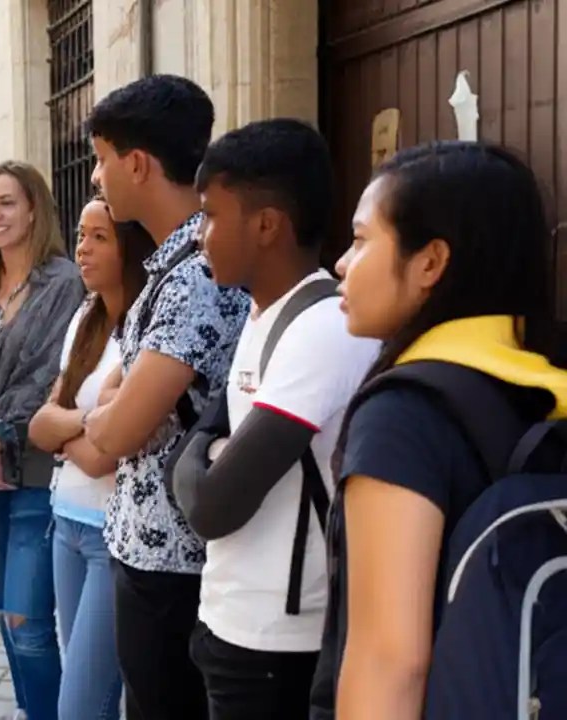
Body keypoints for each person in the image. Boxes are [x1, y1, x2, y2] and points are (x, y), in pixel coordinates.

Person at [309, 141, 567, 719]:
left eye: (360, 239)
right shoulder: (547, 385)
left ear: (430, 261)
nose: (341, 264)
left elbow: (391, 664)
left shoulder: (405, 414)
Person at [168, 119, 380, 719]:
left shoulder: (322, 327)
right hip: (231, 621)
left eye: (210, 215)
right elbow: (187, 457)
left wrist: (206, 457)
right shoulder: (264, 313)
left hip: (281, 642)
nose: (199, 235)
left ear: (267, 225)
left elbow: (212, 505)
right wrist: (205, 455)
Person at [82, 75, 250, 720]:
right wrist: (108, 410)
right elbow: (114, 400)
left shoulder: (197, 275)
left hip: (174, 563)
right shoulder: (172, 266)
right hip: (151, 550)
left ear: (137, 163)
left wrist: (101, 416)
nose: (97, 177)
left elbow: (118, 431)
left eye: (100, 159)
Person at [0, 159, 85, 720]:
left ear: (34, 208)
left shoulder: (65, 283)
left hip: (36, 472)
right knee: (7, 615)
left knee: (30, 625)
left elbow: (53, 374)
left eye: (6, 202)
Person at [28, 194, 153, 720]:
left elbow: (107, 456)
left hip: (110, 535)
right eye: (80, 235)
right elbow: (39, 426)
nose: (82, 248)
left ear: (129, 246)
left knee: (80, 705)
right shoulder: (85, 319)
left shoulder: (142, 329)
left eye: (98, 237)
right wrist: (87, 421)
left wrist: (68, 431)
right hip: (66, 524)